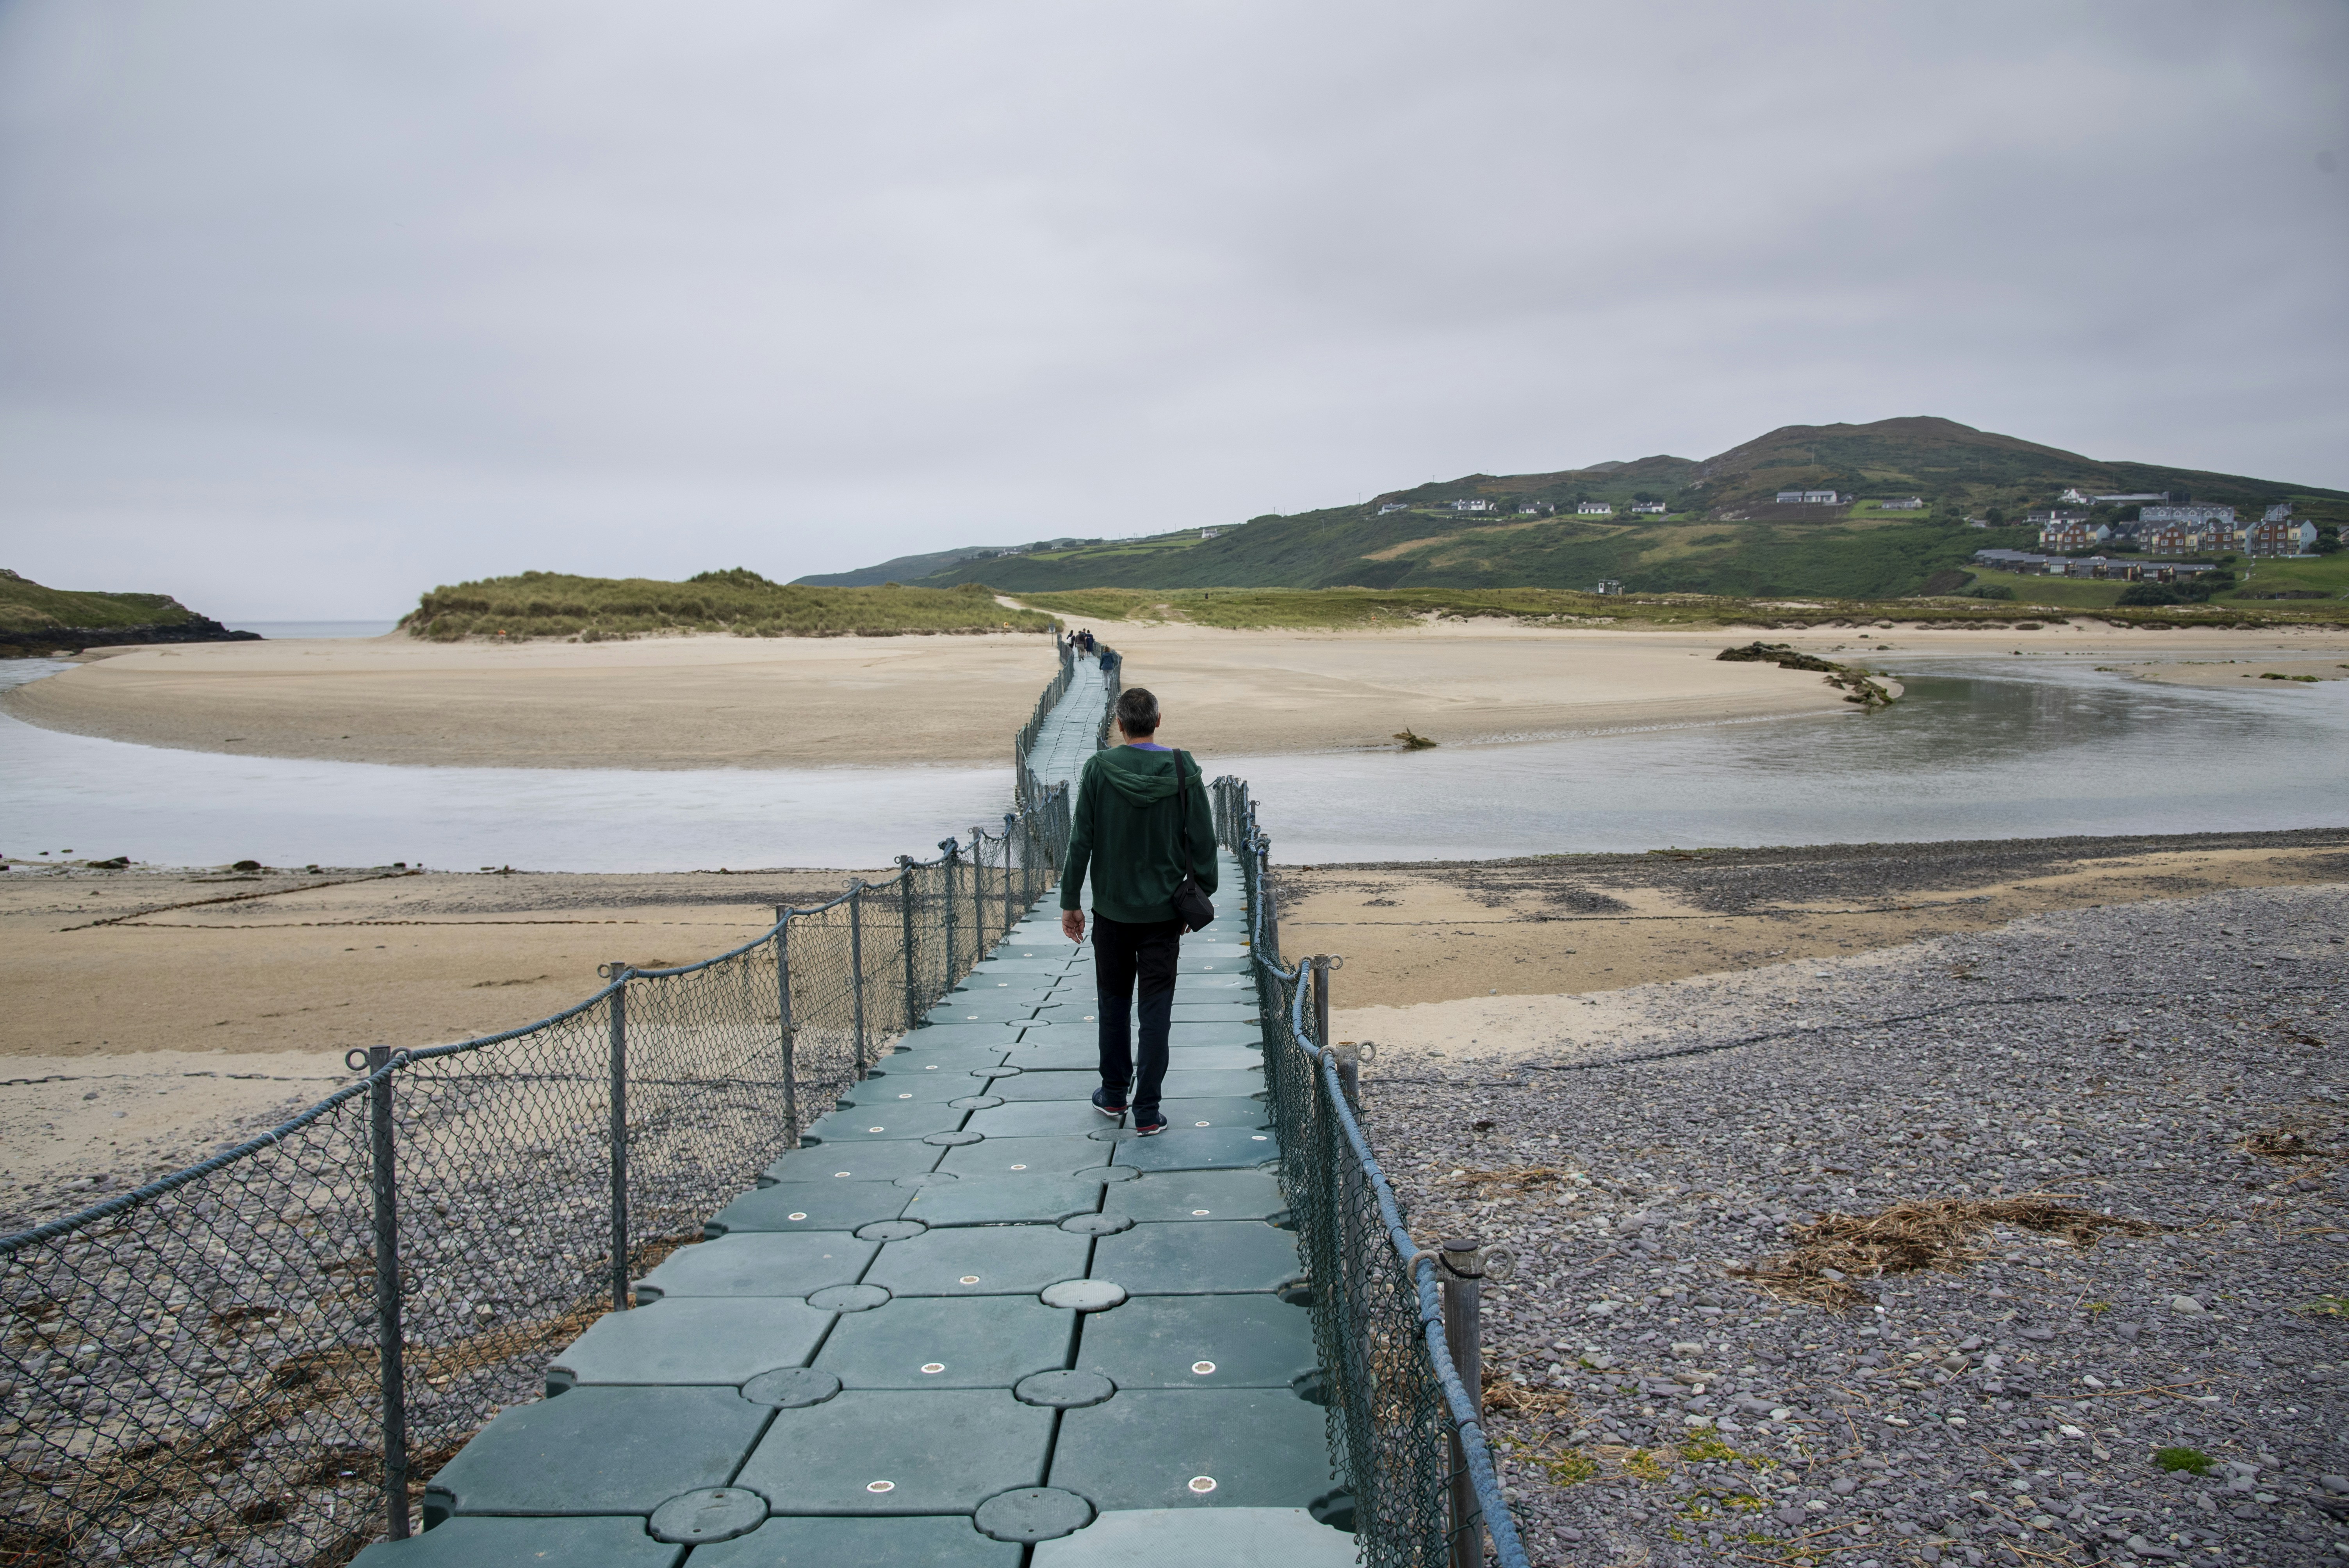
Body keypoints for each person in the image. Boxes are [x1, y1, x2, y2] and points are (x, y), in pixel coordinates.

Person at [1059, 685, 1216, 1135]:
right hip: (1165, 915)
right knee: (1156, 1011)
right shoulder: (1184, 769)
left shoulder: (1098, 768)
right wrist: (1199, 897)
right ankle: (1147, 1110)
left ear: (1120, 724)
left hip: (1111, 912)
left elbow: (1080, 841)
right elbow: (1204, 843)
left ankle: (1112, 1095)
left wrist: (1071, 900)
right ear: (1159, 720)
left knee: (1112, 1004)